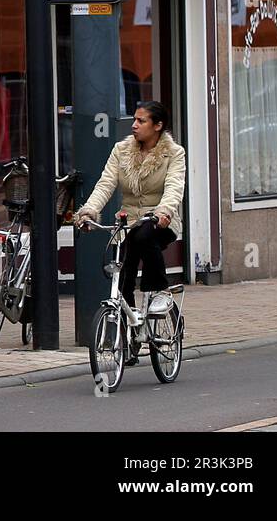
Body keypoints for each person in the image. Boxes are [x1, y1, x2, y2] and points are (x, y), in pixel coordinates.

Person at [74, 101, 185, 361]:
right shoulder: (121, 150)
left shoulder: (174, 153)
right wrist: (89, 211)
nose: (134, 125)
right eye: (134, 119)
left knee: (145, 235)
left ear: (158, 126)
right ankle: (130, 335)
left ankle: (159, 291)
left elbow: (174, 186)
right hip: (128, 224)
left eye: (141, 121)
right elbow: (106, 184)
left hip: (159, 222)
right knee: (121, 276)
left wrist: (164, 211)